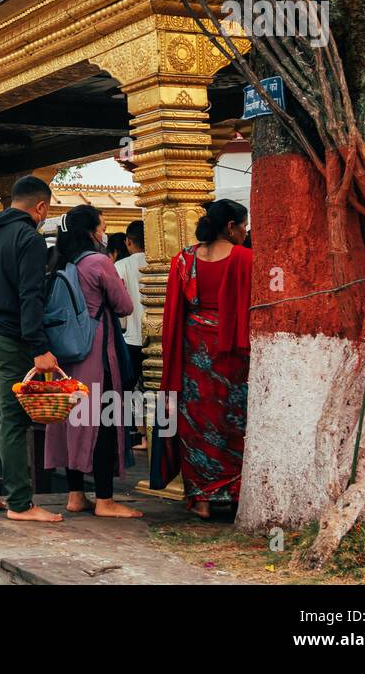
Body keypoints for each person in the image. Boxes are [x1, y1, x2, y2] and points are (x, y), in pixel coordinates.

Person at [0, 175, 62, 523]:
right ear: (41, 207)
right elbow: (30, 297)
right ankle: (20, 503)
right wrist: (39, 346)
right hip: (9, 338)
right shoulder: (28, 239)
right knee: (15, 418)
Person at [41, 205, 142, 518]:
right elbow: (124, 306)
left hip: (64, 353)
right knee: (102, 422)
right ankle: (105, 500)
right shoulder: (98, 261)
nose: (104, 232)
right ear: (90, 231)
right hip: (95, 350)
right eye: (102, 227)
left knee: (72, 421)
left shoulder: (60, 260)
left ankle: (75, 496)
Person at [156, 198, 253, 518]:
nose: (245, 232)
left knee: (195, 420)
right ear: (230, 226)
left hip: (192, 352)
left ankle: (200, 499)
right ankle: (235, 493)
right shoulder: (246, 258)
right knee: (233, 421)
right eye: (243, 226)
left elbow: (174, 311)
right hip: (233, 354)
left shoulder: (183, 259)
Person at [113, 221, 148, 450]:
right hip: (157, 335)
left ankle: (126, 435)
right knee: (154, 390)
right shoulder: (162, 261)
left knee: (126, 389)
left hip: (130, 337)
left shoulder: (121, 265)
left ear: (128, 241)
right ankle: (150, 437)